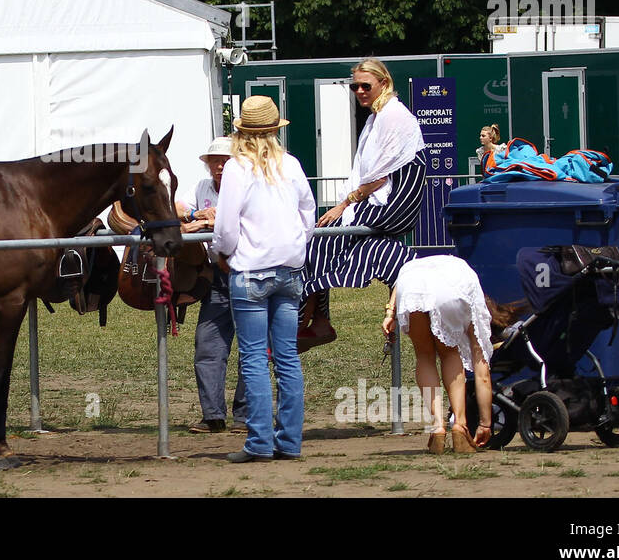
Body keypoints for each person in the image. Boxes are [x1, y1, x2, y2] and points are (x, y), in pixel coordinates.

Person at [213, 96, 317, 462]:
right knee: (287, 357)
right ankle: (289, 441)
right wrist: (296, 240)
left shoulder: (237, 169)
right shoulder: (291, 164)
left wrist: (221, 253)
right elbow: (308, 210)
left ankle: (258, 442)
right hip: (289, 271)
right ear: (275, 129)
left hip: (251, 272)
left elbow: (225, 226)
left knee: (255, 358)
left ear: (242, 131)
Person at [303, 57, 426, 349]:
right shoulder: (376, 118)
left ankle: (315, 321)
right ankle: (318, 320)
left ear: (384, 83)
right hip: (380, 200)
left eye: (365, 85)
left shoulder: (393, 116)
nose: (359, 90)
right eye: (354, 86)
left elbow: (379, 178)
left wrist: (344, 205)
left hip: (394, 205)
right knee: (321, 240)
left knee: (318, 243)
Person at [381, 255, 496, 453]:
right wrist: (486, 424)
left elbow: (400, 283)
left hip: (411, 287)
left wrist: (390, 314)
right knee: (450, 353)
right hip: (448, 291)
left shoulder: (415, 266)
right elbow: (482, 372)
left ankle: (438, 427)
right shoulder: (471, 293)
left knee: (424, 356)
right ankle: (460, 425)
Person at [175, 136, 247, 434]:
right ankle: (213, 415)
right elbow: (177, 207)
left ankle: (244, 416)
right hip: (216, 275)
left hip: (244, 271)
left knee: (251, 348)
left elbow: (243, 221)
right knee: (208, 345)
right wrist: (195, 215)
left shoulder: (244, 185)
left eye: (226, 160)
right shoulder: (202, 187)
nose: (220, 165)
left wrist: (207, 224)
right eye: (215, 160)